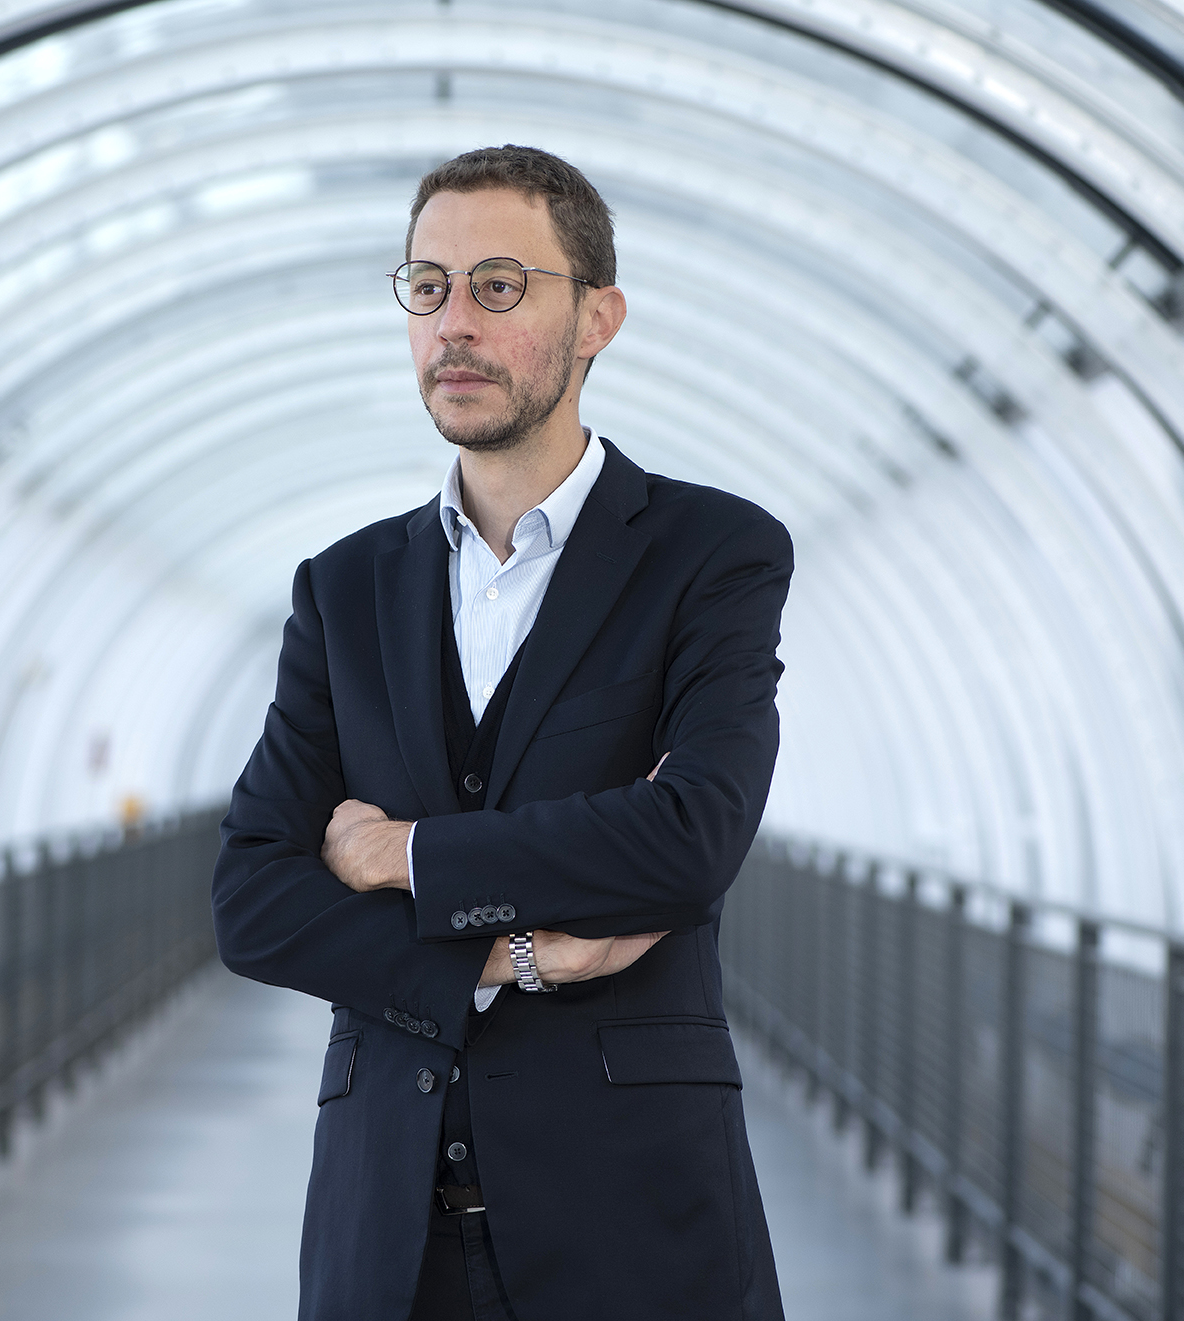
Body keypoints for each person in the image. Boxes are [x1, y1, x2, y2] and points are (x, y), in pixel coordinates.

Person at [213, 144, 792, 1321]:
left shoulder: (709, 555)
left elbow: (686, 838)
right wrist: (509, 951)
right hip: (386, 1229)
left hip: (631, 1218)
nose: (453, 323)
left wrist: (400, 858)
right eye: (426, 287)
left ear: (598, 317)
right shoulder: (344, 587)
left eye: (498, 284)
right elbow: (252, 897)